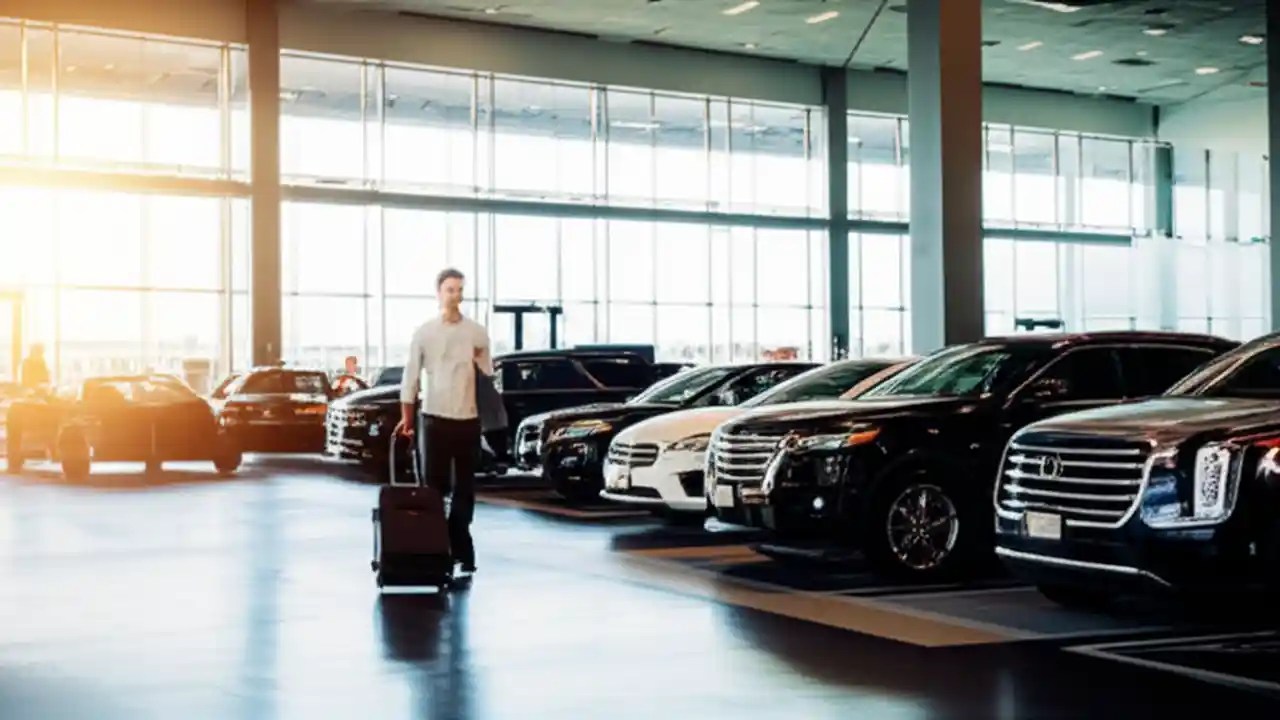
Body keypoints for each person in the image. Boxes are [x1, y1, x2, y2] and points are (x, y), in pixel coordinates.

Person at [395, 267, 493, 577]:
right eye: (451, 290)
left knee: (465, 489)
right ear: (439, 293)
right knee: (432, 489)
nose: (456, 296)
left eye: (460, 290)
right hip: (434, 419)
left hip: (467, 420)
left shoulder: (476, 332)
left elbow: (487, 377)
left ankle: (461, 548)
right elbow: (410, 378)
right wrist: (407, 419)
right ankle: (438, 550)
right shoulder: (424, 333)